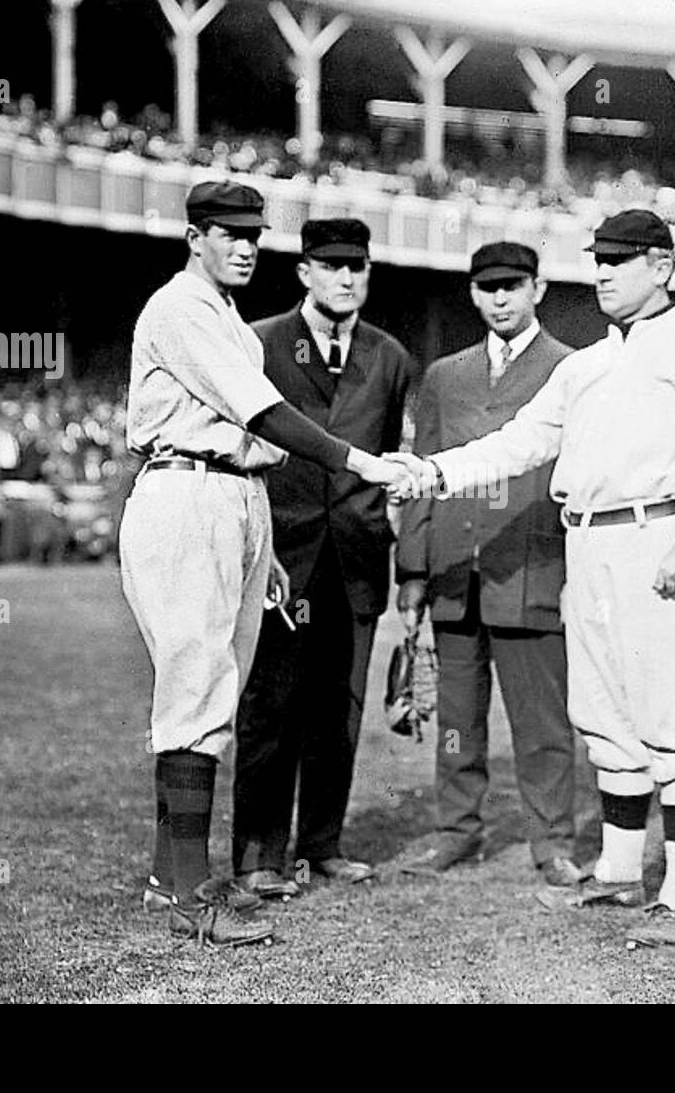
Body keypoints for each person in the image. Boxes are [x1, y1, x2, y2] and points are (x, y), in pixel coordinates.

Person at [387, 209, 675, 948]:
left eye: (622, 260)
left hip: (658, 536)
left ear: (663, 266)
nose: (606, 273)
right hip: (585, 546)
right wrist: (431, 469)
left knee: (671, 716)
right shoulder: (583, 364)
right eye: (599, 260)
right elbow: (519, 441)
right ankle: (621, 872)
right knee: (606, 716)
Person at [119, 182, 407, 947]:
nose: (245, 246)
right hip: (187, 490)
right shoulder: (181, 307)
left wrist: (267, 545)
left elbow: (255, 442)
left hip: (236, 497)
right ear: (194, 237)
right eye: (227, 233)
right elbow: (264, 415)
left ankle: (165, 879)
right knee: (196, 689)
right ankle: (188, 894)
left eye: (254, 234)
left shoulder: (230, 322)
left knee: (213, 684)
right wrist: (358, 461)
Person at [230, 218, 411, 897]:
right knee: (271, 706)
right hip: (284, 554)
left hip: (357, 558)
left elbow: (384, 454)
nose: (344, 277)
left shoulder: (389, 356)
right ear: (303, 271)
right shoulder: (259, 341)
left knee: (339, 711)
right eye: (330, 265)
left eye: (356, 266)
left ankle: (323, 843)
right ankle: (257, 855)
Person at [395, 242, 584, 888]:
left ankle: (553, 842)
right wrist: (412, 572)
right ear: (471, 292)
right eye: (486, 286)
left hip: (530, 569)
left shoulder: (571, 369)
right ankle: (456, 832)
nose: (499, 298)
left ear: (539, 288)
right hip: (453, 571)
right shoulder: (446, 375)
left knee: (541, 723)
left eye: (512, 285)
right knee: (456, 721)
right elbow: (423, 473)